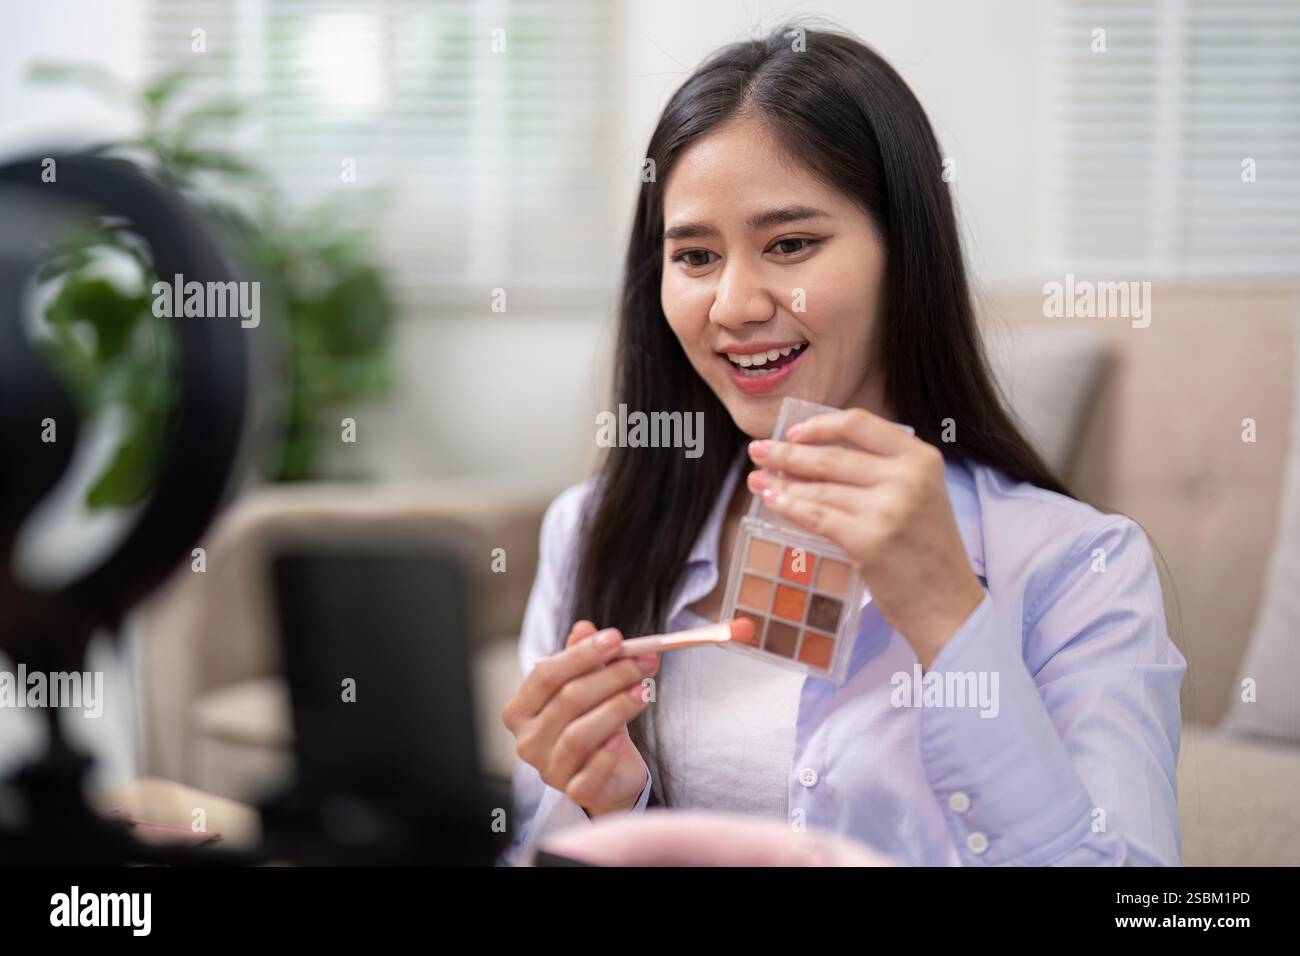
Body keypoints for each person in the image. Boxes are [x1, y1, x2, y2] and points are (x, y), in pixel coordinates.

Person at [498, 23, 1185, 867]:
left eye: (790, 244)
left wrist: (945, 614)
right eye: (696, 256)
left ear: (906, 255)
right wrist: (615, 810)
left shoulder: (1081, 567)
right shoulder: (592, 530)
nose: (735, 305)